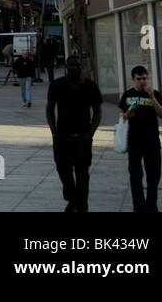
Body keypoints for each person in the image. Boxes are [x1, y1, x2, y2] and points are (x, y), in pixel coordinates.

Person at [45, 56, 102, 212]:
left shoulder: (91, 87)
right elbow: (49, 110)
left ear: (81, 67)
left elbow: (97, 112)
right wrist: (54, 133)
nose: (74, 68)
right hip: (62, 137)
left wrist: (90, 133)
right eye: (71, 65)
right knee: (64, 171)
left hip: (82, 137)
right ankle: (73, 199)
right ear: (66, 67)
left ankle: (81, 206)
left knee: (82, 174)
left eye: (77, 65)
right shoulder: (57, 85)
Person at [118, 65, 162, 212]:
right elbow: (121, 113)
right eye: (139, 79)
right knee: (136, 175)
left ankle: (151, 206)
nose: (142, 81)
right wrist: (125, 116)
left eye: (144, 78)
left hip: (152, 142)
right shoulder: (127, 94)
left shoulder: (154, 93)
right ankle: (138, 206)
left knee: (153, 177)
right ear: (133, 79)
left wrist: (152, 98)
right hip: (134, 142)